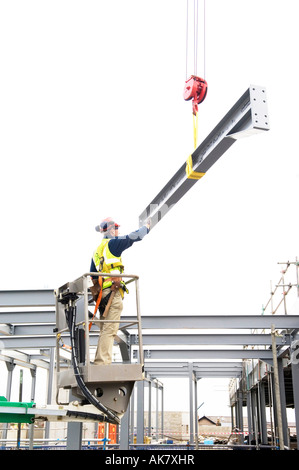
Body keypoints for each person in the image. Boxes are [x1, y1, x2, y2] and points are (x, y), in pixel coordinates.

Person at [90, 217, 151, 365]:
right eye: (116, 229)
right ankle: (102, 363)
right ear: (111, 229)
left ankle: (100, 360)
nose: (117, 232)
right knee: (110, 330)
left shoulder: (98, 251)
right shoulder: (112, 243)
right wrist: (146, 228)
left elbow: (92, 275)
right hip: (112, 293)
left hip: (102, 295)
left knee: (105, 329)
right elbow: (132, 238)